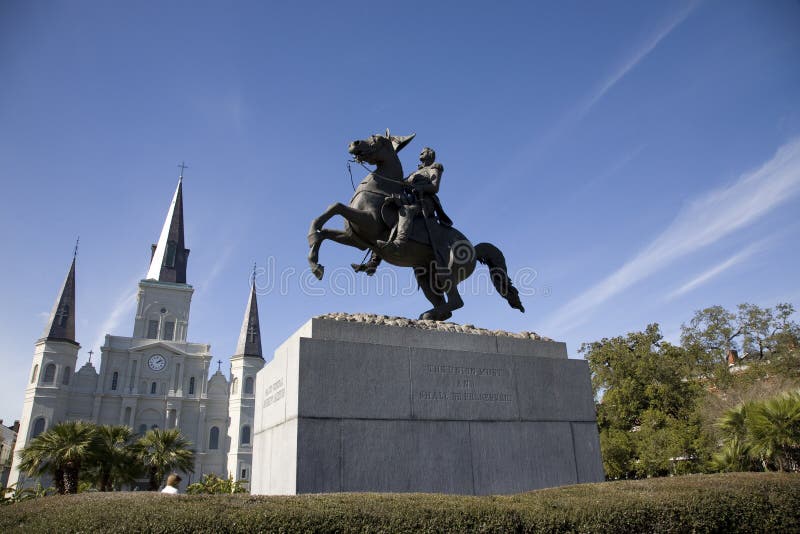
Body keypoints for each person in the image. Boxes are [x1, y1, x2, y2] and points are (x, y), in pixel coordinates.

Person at [377, 147, 452, 252]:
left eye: (424, 151)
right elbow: (402, 184)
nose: (421, 152)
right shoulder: (414, 172)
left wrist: (420, 188)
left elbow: (435, 187)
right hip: (411, 199)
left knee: (406, 210)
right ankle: (374, 260)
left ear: (430, 154)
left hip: (425, 202)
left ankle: (399, 243)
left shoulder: (434, 167)